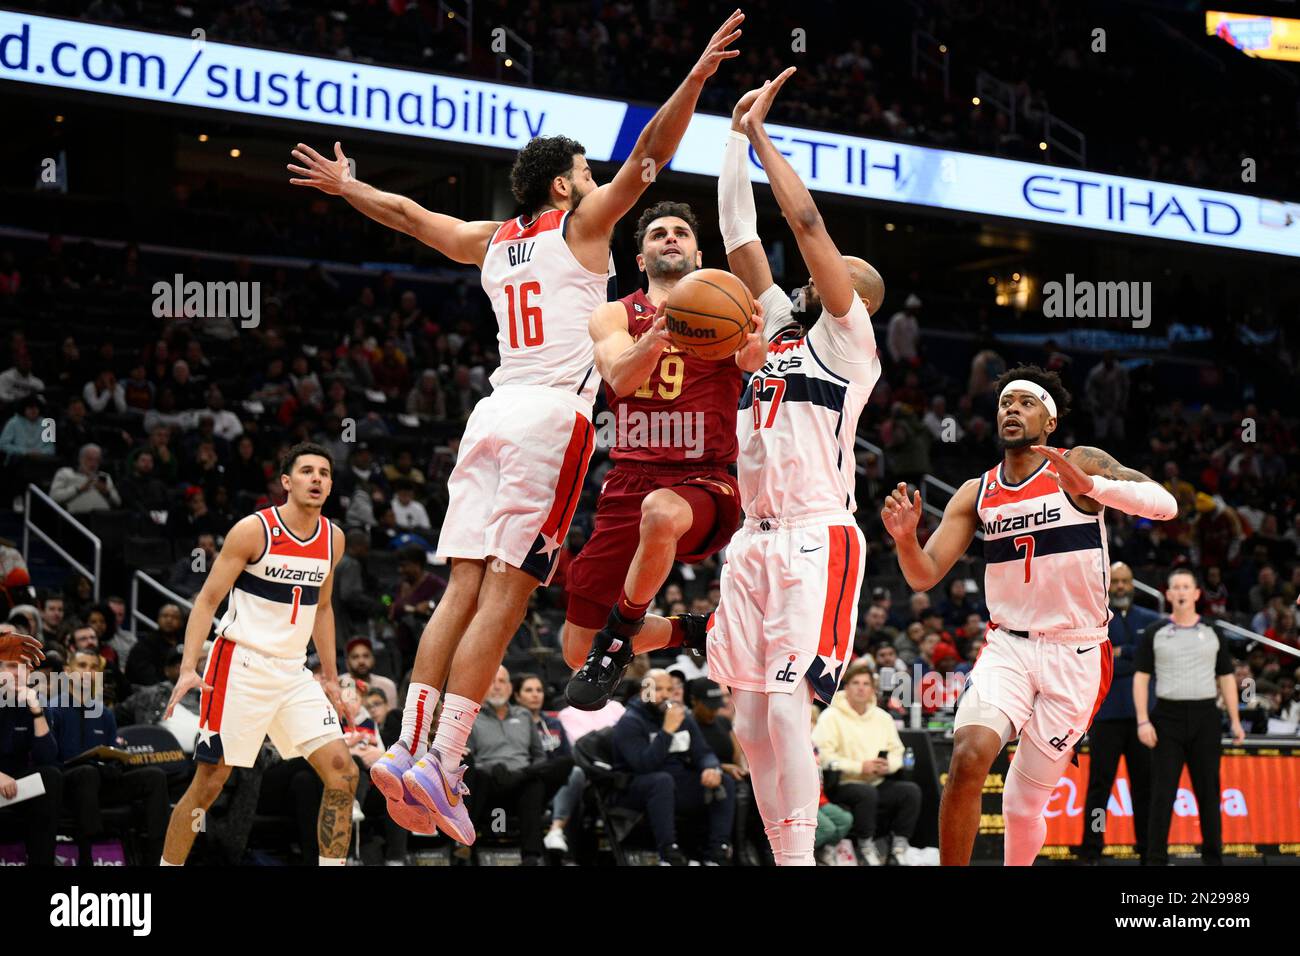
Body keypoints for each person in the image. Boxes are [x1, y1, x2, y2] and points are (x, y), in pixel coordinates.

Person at [294, 12, 745, 845]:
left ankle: (405, 746)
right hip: (549, 417)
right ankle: (448, 759)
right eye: (584, 169)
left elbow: (409, 215)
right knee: (504, 600)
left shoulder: (494, 240)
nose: (594, 175)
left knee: (459, 591)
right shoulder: (583, 230)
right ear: (566, 187)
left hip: (487, 418)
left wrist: (350, 187)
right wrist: (694, 82)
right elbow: (650, 158)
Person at [881, 364, 1179, 866]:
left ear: (1050, 420)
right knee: (969, 755)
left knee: (1022, 805)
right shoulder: (977, 492)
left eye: (1025, 402)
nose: (1011, 409)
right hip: (1009, 646)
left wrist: (1097, 487)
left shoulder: (1078, 464)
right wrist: (907, 540)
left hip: (1077, 650)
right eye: (1005, 403)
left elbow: (1165, 505)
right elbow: (922, 575)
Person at [703, 72, 883, 866]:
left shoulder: (849, 342)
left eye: (835, 273)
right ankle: (785, 857)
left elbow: (803, 220)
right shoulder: (780, 327)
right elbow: (741, 234)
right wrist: (734, 137)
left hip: (818, 537)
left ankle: (800, 861)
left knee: (784, 711)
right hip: (754, 540)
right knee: (746, 721)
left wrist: (770, 139)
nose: (815, 274)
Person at [562, 199, 764, 707]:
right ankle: (688, 630)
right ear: (640, 258)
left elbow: (751, 361)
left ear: (699, 256)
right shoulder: (614, 314)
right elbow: (620, 379)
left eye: (680, 232)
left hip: (704, 478)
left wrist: (754, 357)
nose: (669, 238)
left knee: (662, 512)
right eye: (656, 234)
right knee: (573, 650)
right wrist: (656, 335)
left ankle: (621, 632)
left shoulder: (729, 306)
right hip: (630, 478)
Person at [159, 443, 359, 866]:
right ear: (286, 482)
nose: (318, 479)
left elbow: (322, 608)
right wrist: (187, 668)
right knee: (209, 783)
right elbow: (207, 600)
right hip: (239, 666)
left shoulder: (333, 539)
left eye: (324, 472)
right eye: (307, 471)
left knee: (343, 772)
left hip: (293, 672)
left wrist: (328, 673)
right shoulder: (253, 530)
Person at [1135, 568, 1245, 866]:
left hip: (1206, 718)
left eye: (1186, 587)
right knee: (1162, 794)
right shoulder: (1156, 632)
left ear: (1197, 593)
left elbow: (1226, 678)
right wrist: (1143, 720)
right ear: (1168, 594)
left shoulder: (1213, 631)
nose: (1181, 592)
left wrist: (1234, 720)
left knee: (1209, 794)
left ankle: (1213, 859)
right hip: (1166, 719)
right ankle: (1155, 859)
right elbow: (1141, 678)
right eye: (1176, 587)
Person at [51, 648, 170, 865]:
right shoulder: (52, 709)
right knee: (86, 773)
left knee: (155, 776)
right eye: (82, 666)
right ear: (68, 672)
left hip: (99, 783)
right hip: (67, 786)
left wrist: (115, 762)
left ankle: (158, 856)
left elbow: (111, 750)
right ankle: (92, 853)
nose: (88, 672)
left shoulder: (105, 713)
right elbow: (48, 760)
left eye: (94, 667)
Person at [1078, 561, 1160, 864]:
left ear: (1133, 584)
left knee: (1145, 788)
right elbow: (1097, 661)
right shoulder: (1095, 618)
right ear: (1108, 585)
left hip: (1143, 718)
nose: (1122, 586)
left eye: (1126, 581)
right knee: (1099, 789)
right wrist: (1131, 655)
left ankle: (1149, 850)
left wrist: (1120, 653)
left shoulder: (1152, 620)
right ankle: (1090, 850)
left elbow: (1148, 661)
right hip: (1105, 718)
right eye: (1117, 581)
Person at [610, 669, 735, 865]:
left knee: (724, 782)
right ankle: (668, 853)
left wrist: (712, 768)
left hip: (674, 784)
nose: (665, 695)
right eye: (658, 689)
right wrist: (667, 731)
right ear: (644, 691)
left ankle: (717, 853)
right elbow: (644, 765)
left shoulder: (681, 717)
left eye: (669, 689)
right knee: (662, 781)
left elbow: (703, 752)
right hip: (636, 787)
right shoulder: (630, 722)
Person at [812, 663, 920, 865]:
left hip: (877, 779)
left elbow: (898, 751)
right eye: (855, 683)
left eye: (866, 684)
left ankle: (899, 846)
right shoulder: (831, 716)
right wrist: (860, 767)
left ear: (872, 689)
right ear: (846, 687)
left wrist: (888, 765)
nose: (861, 688)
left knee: (910, 791)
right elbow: (822, 756)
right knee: (865, 793)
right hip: (841, 782)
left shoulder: (883, 717)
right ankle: (865, 846)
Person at [464, 666, 548, 864]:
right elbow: (468, 757)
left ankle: (531, 856)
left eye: (502, 681)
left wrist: (526, 772)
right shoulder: (471, 718)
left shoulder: (524, 716)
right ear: (482, 687)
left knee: (538, 781)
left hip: (521, 779)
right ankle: (464, 843)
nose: (497, 687)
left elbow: (539, 756)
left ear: (510, 688)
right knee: (480, 775)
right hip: (488, 781)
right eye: (491, 681)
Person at [0, 630, 61, 865]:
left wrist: (36, 709)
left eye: (23, 666)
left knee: (50, 776)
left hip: (14, 787)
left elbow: (47, 757)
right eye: (9, 666)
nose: (17, 673)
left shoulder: (33, 702)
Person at [513, 672, 584, 855]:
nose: (536, 694)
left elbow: (568, 757)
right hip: (530, 782)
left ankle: (557, 833)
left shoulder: (554, 722)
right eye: (529, 690)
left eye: (539, 690)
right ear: (517, 695)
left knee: (576, 773)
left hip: (556, 784)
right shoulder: (513, 724)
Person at [49, 443, 122, 514]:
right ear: (80, 459)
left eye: (97, 460)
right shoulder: (66, 473)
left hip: (104, 519)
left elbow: (118, 502)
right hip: (79, 518)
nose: (93, 464)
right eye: (89, 459)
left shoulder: (103, 476)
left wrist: (106, 492)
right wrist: (79, 489)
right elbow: (54, 497)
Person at [345, 637, 397, 711]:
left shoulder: (387, 686)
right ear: (347, 662)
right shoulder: (337, 686)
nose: (361, 661)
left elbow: (391, 720)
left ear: (373, 659)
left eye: (366, 656)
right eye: (355, 657)